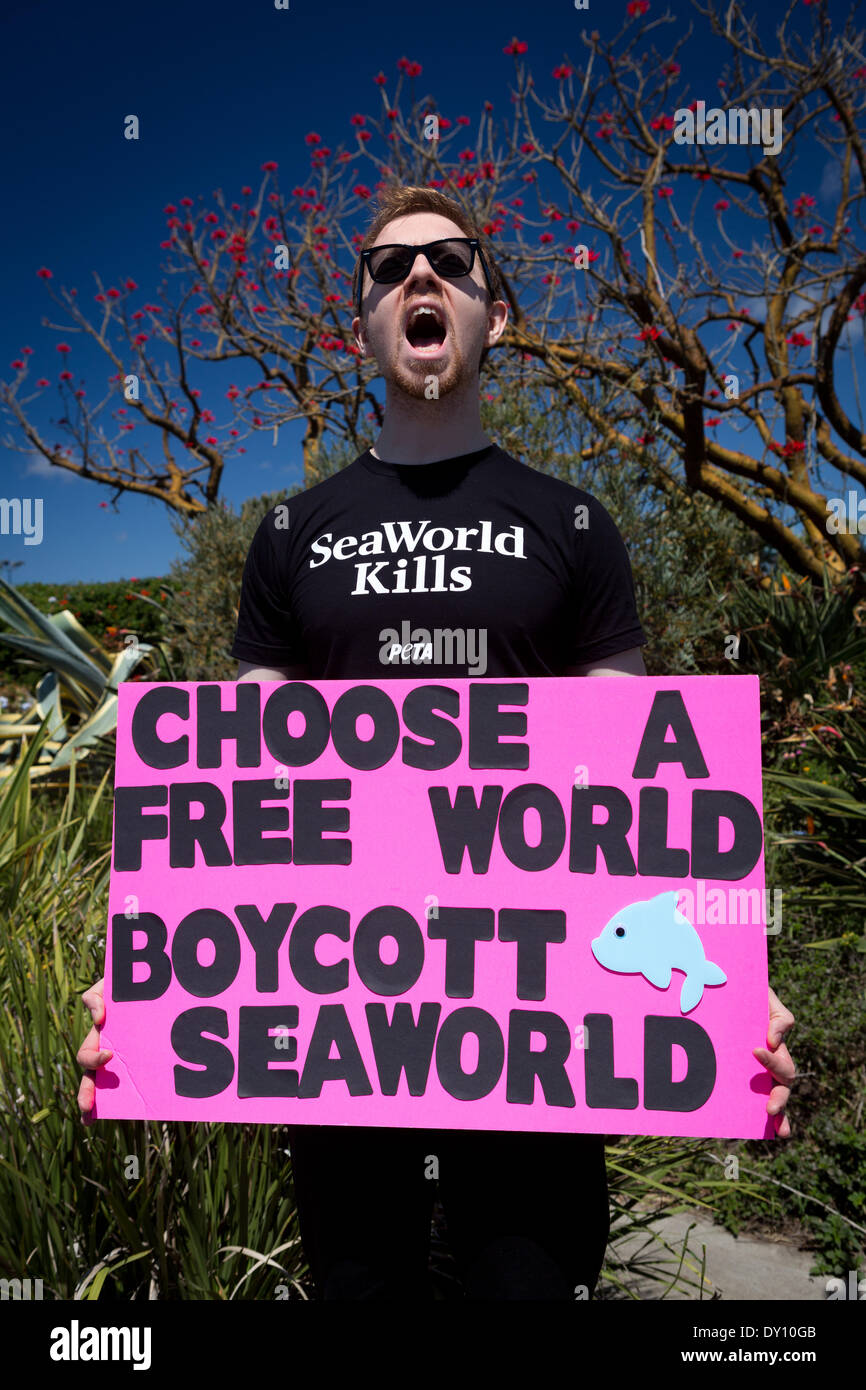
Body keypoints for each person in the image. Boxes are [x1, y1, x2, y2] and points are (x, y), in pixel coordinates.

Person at [77, 183, 796, 1301]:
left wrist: (723, 995)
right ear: (360, 323)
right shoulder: (287, 538)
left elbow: (638, 802)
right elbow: (239, 807)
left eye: (452, 261)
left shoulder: (573, 528)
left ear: (491, 314)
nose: (419, 277)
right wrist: (148, 981)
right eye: (388, 267)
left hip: (544, 1061)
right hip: (342, 1060)